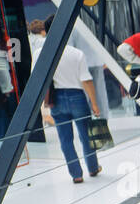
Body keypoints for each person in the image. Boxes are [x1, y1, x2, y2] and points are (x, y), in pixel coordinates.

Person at [42, 15, 101, 183]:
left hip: (56, 99)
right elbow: (86, 80)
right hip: (77, 97)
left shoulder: (41, 53)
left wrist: (44, 107)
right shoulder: (76, 53)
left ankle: (76, 175)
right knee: (86, 136)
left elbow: (39, 81)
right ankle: (93, 168)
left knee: (65, 139)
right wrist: (94, 104)